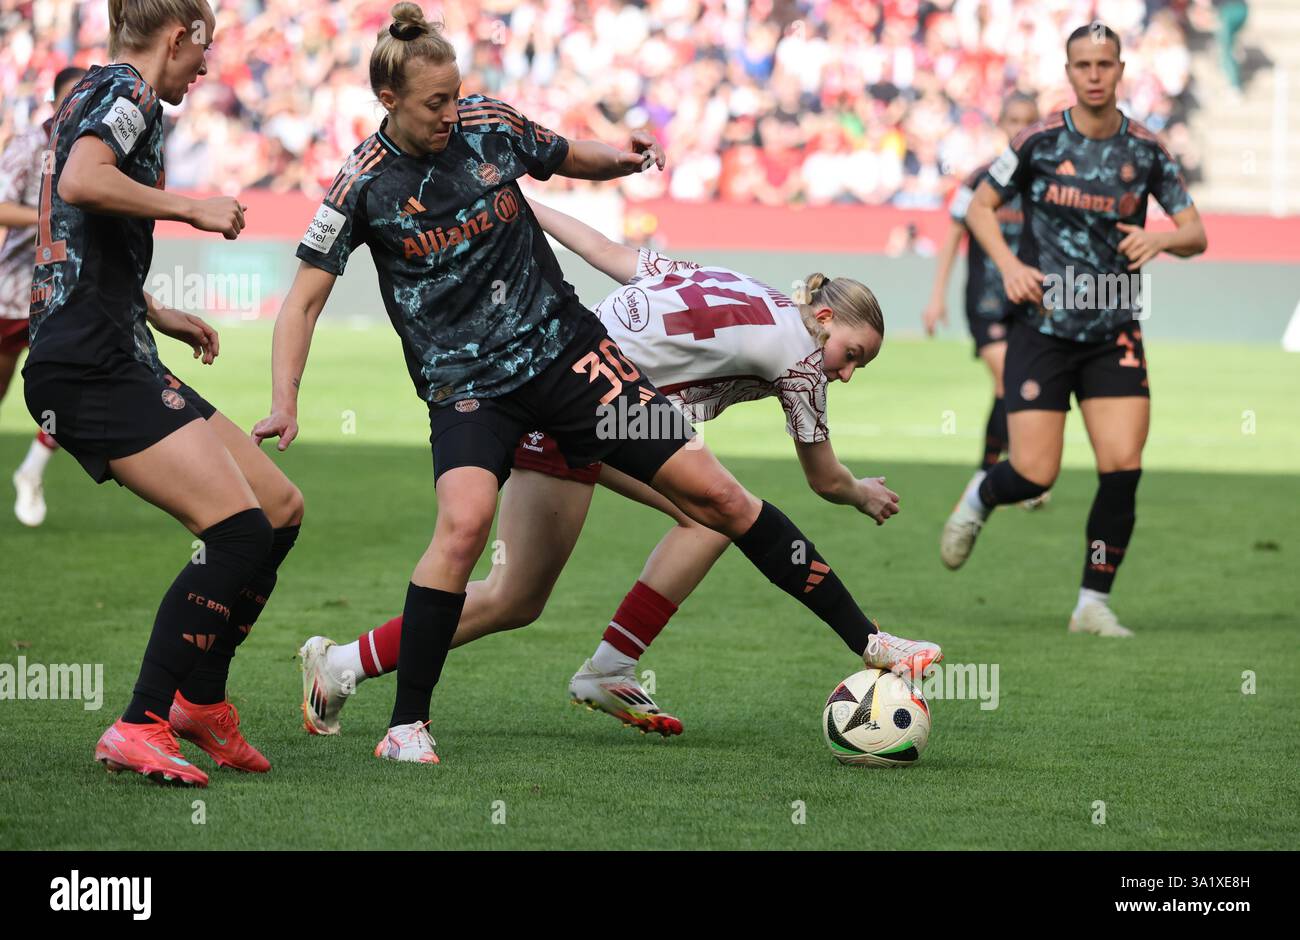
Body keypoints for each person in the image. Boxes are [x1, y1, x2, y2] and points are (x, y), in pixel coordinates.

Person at [255, 3, 941, 766]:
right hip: (468, 385)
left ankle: (869, 640)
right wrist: (286, 399)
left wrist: (619, 157)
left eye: (456, 95)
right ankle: (401, 718)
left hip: (575, 361)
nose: (452, 113)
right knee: (477, 545)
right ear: (389, 101)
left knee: (719, 503)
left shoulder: (490, 123)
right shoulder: (360, 185)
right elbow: (305, 300)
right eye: (434, 103)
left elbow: (560, 152)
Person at [299, 198, 900, 737]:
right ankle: (343, 665)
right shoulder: (797, 356)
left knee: (716, 517)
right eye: (851, 355)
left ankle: (608, 668)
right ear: (823, 319)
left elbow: (605, 251)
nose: (844, 373)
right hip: (587, 405)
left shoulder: (742, 287)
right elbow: (822, 478)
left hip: (593, 391)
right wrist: (860, 493)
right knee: (515, 594)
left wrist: (520, 202)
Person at [23, 0, 305, 787]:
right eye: (202, 49)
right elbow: (82, 182)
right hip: (88, 365)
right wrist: (191, 207)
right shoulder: (131, 92)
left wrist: (155, 309)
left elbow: (78, 230)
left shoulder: (91, 88)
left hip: (116, 346)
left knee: (279, 508)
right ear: (177, 37)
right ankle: (140, 721)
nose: (207, 67)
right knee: (239, 532)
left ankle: (200, 702)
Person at [939, 23, 1207, 637]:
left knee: (1123, 466)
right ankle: (982, 495)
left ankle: (1092, 602)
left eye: (1104, 64)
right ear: (1069, 71)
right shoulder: (1035, 141)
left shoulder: (1146, 150)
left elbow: (1196, 233)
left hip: (1114, 331)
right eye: (1083, 64)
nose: (1094, 75)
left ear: (1119, 70)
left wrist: (1161, 238)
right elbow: (978, 207)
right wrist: (1007, 266)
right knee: (1034, 473)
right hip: (1042, 330)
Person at [923, 92, 1050, 510]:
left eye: (1026, 122)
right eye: (1012, 120)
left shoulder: (1047, 183)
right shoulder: (978, 180)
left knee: (1024, 385)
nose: (1018, 128)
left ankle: (1018, 469)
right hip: (987, 300)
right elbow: (954, 236)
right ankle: (989, 474)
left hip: (1030, 300)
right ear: (1001, 124)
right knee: (1006, 378)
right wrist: (936, 296)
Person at [0, 67, 85, 526]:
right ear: (55, 103)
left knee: (68, 387)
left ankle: (31, 472)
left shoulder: (92, 150)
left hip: (59, 293)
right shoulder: (31, 146)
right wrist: (47, 218)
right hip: (10, 290)